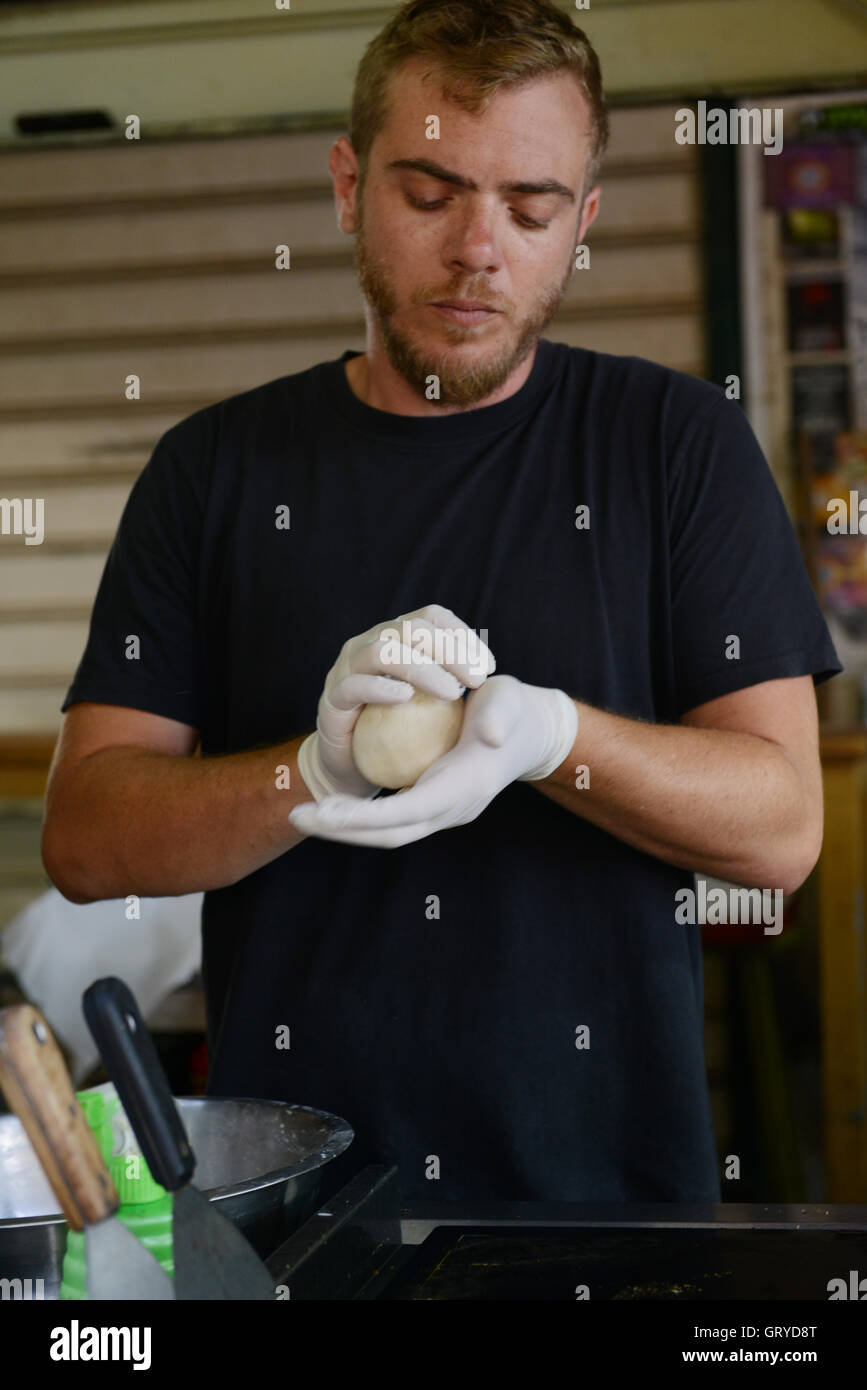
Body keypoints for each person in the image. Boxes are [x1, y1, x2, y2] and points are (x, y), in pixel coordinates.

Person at [42, 0, 841, 1204]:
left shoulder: (674, 446)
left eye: (530, 209)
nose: (479, 248)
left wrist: (557, 740)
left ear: (584, 222)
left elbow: (780, 829)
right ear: (348, 184)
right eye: (429, 195)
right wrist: (308, 776)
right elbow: (88, 838)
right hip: (299, 1200)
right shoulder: (215, 472)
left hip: (609, 1206)